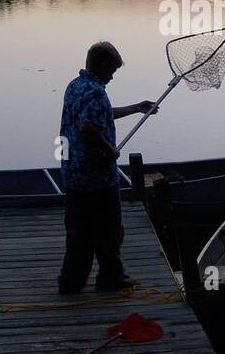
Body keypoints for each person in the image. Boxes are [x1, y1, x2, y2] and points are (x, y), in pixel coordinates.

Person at [57, 41, 156, 294]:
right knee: (110, 230)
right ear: (101, 65)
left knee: (77, 231)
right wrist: (110, 150)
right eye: (111, 70)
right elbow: (88, 127)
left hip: (72, 173)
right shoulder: (96, 92)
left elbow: (97, 115)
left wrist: (136, 108)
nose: (112, 76)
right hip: (97, 177)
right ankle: (110, 277)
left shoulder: (76, 85)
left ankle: (71, 282)